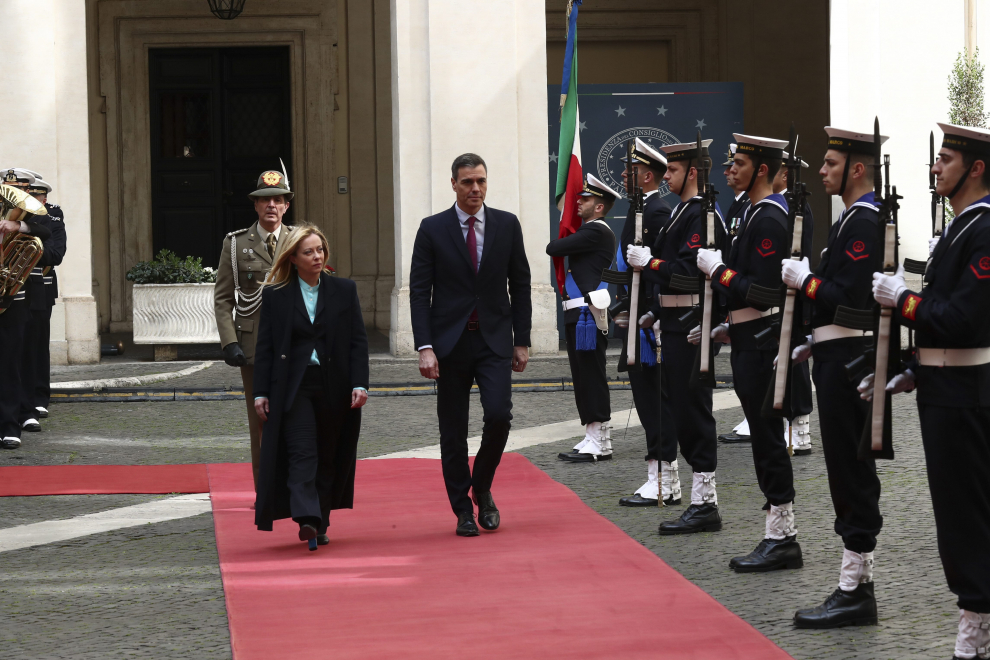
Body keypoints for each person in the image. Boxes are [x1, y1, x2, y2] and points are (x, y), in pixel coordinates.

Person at [871, 123, 990, 658]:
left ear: (976, 168)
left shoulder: (984, 230)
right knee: (955, 509)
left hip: (968, 394)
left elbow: (964, 320)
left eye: (945, 159)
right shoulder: (961, 228)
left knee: (968, 512)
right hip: (947, 388)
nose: (936, 167)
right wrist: (916, 369)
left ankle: (977, 624)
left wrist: (903, 301)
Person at [783, 126, 886, 628]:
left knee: (852, 470)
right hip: (835, 354)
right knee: (844, 469)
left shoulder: (865, 222)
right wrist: (814, 335)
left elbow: (849, 297)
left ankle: (856, 586)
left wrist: (807, 282)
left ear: (857, 168)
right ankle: (854, 583)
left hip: (849, 363)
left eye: (829, 163)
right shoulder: (851, 221)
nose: (822, 171)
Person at [409, 153, 532, 537]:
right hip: (450, 344)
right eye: (467, 182)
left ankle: (481, 487)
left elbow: (522, 283)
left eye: (480, 180)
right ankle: (462, 509)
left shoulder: (507, 225)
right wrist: (424, 346)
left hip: (494, 340)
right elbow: (418, 291)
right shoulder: (432, 229)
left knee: (499, 416)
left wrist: (522, 340)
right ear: (453, 184)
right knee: (453, 430)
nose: (475, 188)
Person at [696, 134, 802, 573]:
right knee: (761, 439)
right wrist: (728, 322)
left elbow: (764, 290)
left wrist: (718, 272)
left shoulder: (769, 219)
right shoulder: (749, 213)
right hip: (747, 337)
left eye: (738, 163)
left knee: (768, 440)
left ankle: (782, 536)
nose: (728, 169)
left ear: (761, 169)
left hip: (761, 342)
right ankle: (777, 532)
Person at [625, 138, 727, 535]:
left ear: (693, 173)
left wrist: (649, 262)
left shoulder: (702, 214)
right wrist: (653, 310)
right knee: (682, 410)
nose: (666, 176)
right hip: (673, 319)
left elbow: (689, 272)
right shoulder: (683, 211)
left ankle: (705, 503)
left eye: (672, 170)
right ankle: (702, 502)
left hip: (689, 323)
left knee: (693, 412)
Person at [252, 225, 369, 551]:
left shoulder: (344, 290)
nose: (317, 256)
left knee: (328, 454)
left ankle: (320, 520)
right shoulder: (276, 296)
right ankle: (306, 517)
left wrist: (360, 383)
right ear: (293, 258)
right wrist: (260, 392)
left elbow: (358, 342)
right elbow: (266, 348)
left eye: (320, 250)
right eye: (309, 252)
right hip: (294, 387)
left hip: (336, 385)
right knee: (303, 451)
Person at [214, 167, 295, 489]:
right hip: (254, 345)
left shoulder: (300, 240)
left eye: (277, 200)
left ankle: (294, 485)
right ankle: (265, 490)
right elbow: (222, 298)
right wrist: (228, 342)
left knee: (294, 417)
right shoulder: (235, 245)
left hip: (294, 343)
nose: (271, 206)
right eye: (265, 200)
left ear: (286, 205)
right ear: (255, 205)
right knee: (260, 420)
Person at [610, 139, 680, 504]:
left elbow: (657, 270)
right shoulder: (641, 209)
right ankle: (658, 474)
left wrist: (652, 315)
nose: (623, 174)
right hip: (636, 313)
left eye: (630, 170)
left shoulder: (656, 212)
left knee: (655, 399)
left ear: (647, 175)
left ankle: (664, 478)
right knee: (646, 395)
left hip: (649, 321)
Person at [547, 173, 617, 464]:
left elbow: (554, 248)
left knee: (591, 376)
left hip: (588, 314)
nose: (579, 202)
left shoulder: (596, 231)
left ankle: (599, 439)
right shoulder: (590, 231)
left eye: (586, 199)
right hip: (579, 312)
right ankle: (592, 434)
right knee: (583, 376)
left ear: (599, 207)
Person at [1, 170, 52, 450]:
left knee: (11, 363)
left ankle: (10, 427)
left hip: (12, 299)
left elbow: (45, 233)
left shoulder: (29, 215)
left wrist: (17, 227)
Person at [773, 152, 815, 456]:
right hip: (780, 291)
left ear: (785, 174)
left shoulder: (796, 206)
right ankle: (789, 421)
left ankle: (801, 425)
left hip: (795, 292)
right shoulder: (779, 204)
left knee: (796, 357)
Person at [19, 173, 66, 430]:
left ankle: (37, 397)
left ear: (44, 198)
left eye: (35, 196)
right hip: (13, 290)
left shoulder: (52, 218)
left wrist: (25, 248)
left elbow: (55, 253)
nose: (31, 200)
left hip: (40, 286)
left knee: (36, 346)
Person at [719, 143, 753, 445]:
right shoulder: (740, 206)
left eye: (736, 165)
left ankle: (798, 424)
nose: (729, 172)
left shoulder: (766, 210)